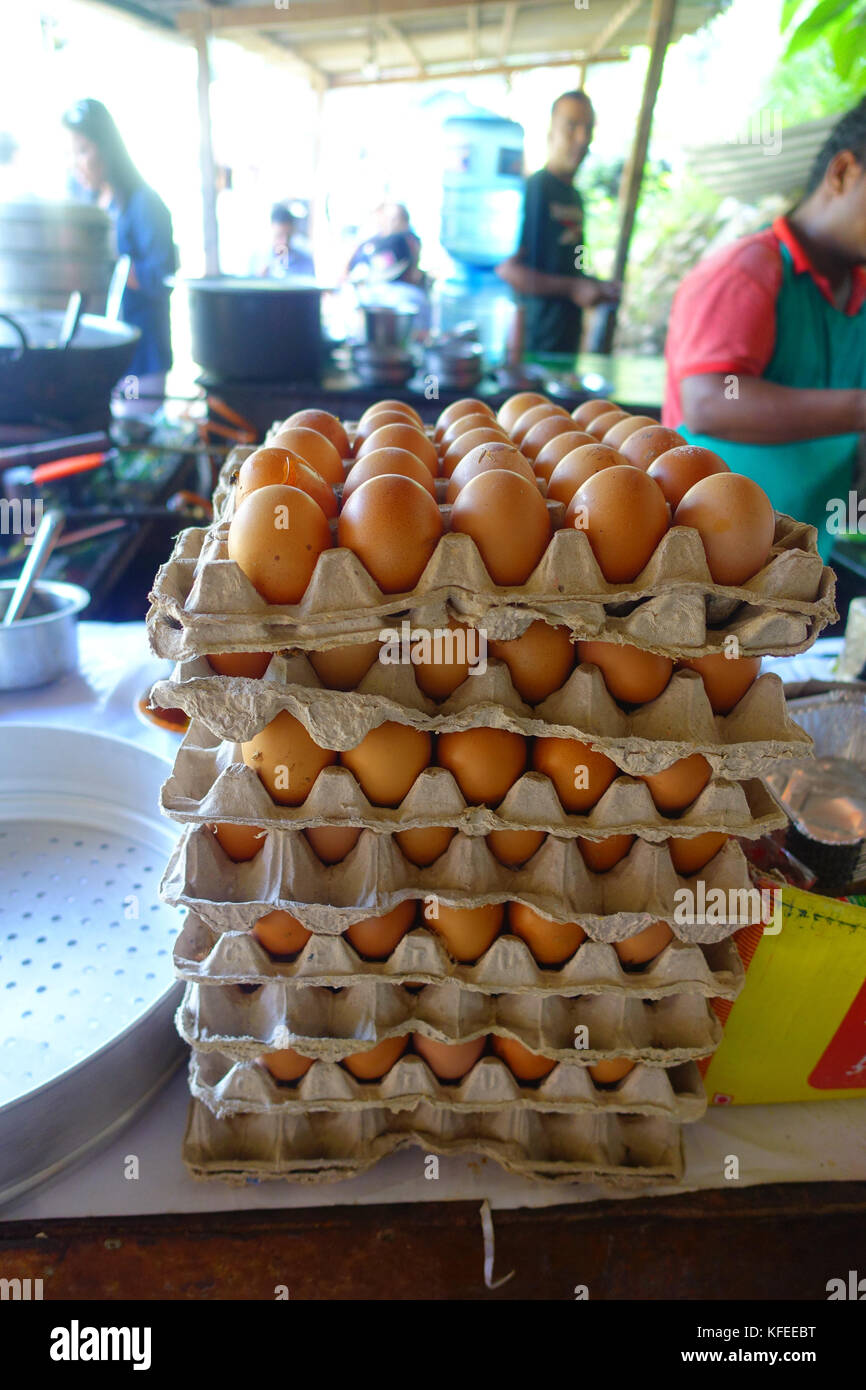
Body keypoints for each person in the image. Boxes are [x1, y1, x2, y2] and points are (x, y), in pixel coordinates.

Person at [664, 97, 866, 561]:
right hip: (702, 563)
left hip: (801, 565)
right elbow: (710, 401)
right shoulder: (749, 271)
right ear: (842, 174)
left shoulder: (857, 292)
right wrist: (859, 409)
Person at [496, 89, 620, 355]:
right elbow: (508, 270)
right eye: (571, 126)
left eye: (588, 128)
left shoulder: (575, 197)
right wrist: (574, 288)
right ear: (551, 132)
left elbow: (574, 264)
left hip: (566, 346)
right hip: (533, 347)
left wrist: (596, 286)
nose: (582, 138)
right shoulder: (535, 189)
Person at [262, 203, 315, 278]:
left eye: (288, 236)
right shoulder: (258, 258)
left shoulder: (306, 261)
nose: (284, 241)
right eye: (279, 235)